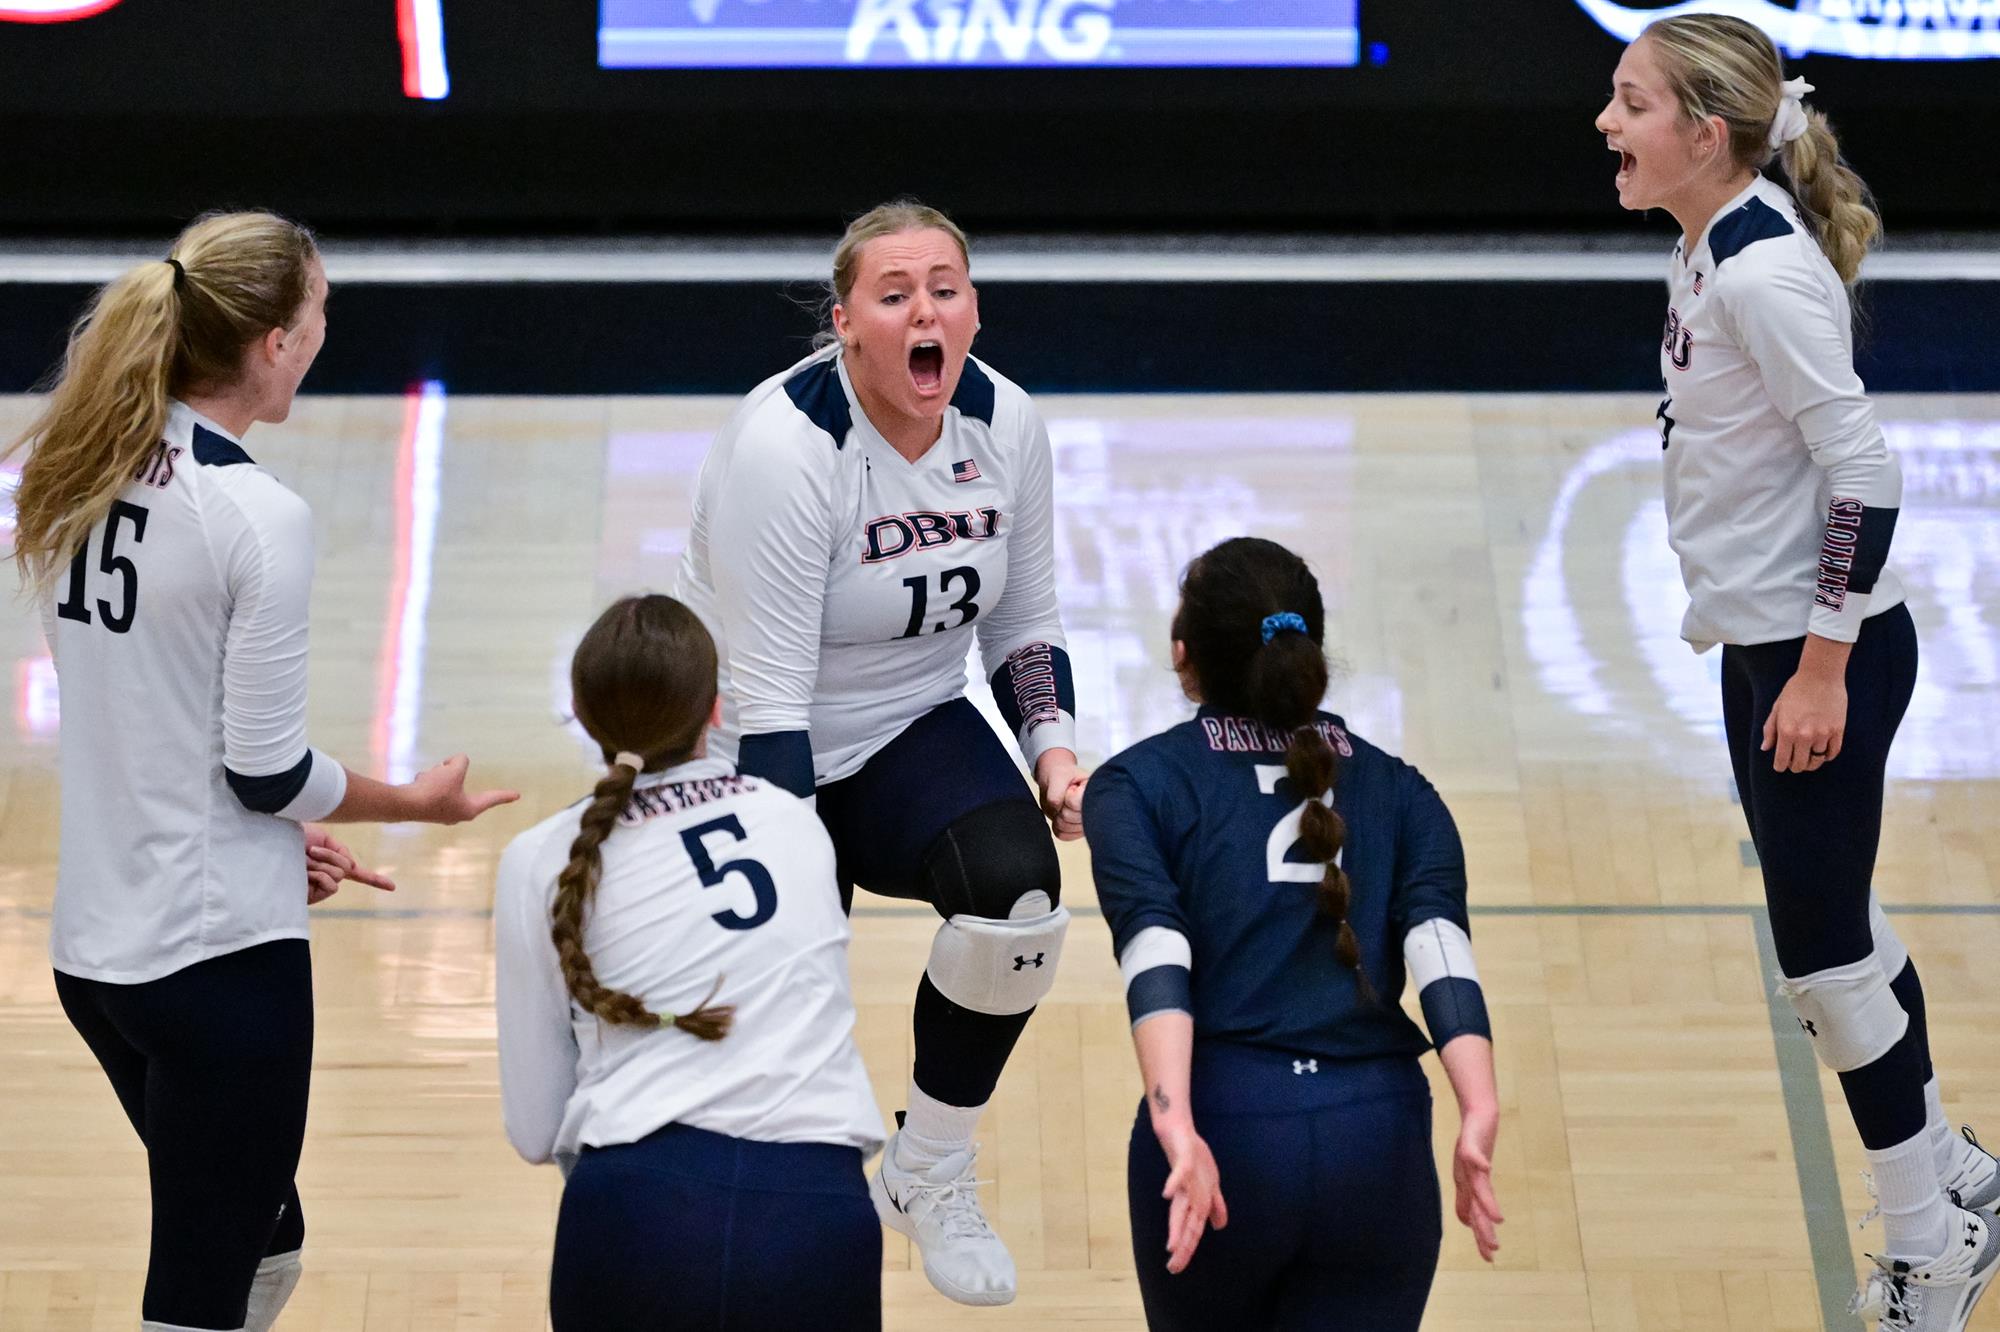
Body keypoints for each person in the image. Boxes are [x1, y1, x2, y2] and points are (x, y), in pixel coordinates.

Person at [4, 209, 518, 1332]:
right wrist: (417, 806)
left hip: (97, 955)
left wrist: (267, 838)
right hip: (214, 967)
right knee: (200, 1287)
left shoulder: (72, 464)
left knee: (261, 1243)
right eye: (321, 310)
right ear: (274, 344)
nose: (327, 329)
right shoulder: (253, 515)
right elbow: (263, 770)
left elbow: (164, 722)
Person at [1596, 17, 1998, 1329]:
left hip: (1817, 656)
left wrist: (1821, 668)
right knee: (1836, 936)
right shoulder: (1716, 241)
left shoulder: (1761, 274)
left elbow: (1869, 475)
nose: (1608, 122)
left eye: (1632, 102)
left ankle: (1931, 1257)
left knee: (1824, 959)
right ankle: (1947, 1172)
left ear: (1704, 135)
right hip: (1766, 646)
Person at [674, 198, 1083, 1305]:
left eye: (943, 289)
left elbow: (1025, 617)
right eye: (894, 293)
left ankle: (927, 1172)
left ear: (973, 312)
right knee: (786, 988)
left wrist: (1050, 747)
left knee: (1019, 910)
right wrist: (793, 887)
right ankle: (753, 1217)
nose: (924, 312)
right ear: (845, 322)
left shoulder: (1006, 424)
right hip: (750, 738)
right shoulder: (788, 445)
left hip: (907, 721)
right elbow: (765, 696)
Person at [1082, 537, 1503, 1331]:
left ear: (1184, 656)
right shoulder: (1406, 791)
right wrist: (1477, 1104)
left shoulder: (1137, 785)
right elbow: (1441, 949)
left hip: (1228, 1129)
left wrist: (1176, 1122)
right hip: (1377, 1142)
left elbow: (1155, 950)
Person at [492, 594, 884, 1331]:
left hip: (635, 1213)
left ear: (578, 711)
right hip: (815, 1216)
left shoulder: (538, 860)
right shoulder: (796, 822)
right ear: (715, 709)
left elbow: (535, 1129)